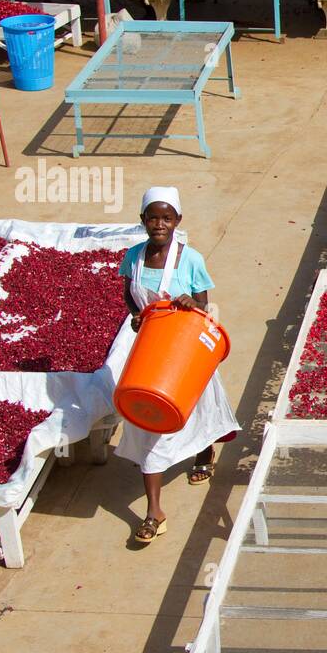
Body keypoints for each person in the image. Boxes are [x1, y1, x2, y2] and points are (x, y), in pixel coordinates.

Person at [117, 187, 240, 545]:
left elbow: (204, 304)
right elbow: (129, 293)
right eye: (153, 217)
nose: (159, 224)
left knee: (195, 409)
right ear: (142, 221)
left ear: (178, 222)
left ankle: (204, 449)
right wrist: (136, 316)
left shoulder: (192, 260)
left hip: (184, 352)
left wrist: (190, 303)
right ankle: (154, 511)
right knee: (147, 420)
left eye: (166, 218)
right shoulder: (133, 258)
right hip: (149, 352)